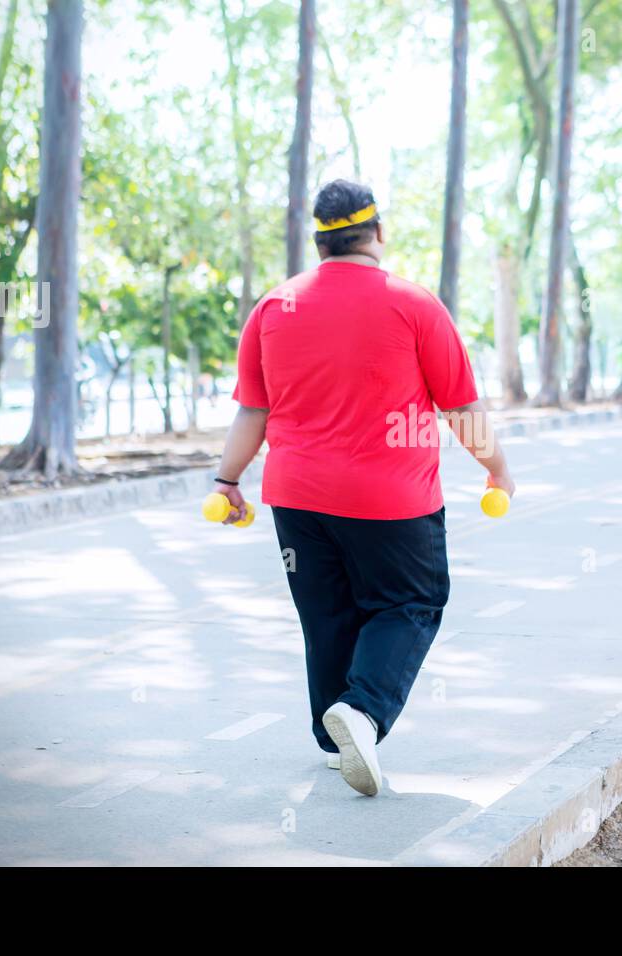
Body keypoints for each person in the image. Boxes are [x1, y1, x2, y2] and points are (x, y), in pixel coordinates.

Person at [212, 180, 515, 796]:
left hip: (295, 497)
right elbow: (460, 407)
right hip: (392, 500)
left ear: (319, 240)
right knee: (410, 603)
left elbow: (252, 411)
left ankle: (336, 741)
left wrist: (227, 479)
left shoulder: (275, 308)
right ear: (378, 233)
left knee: (326, 615)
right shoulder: (414, 304)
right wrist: (497, 469)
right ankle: (364, 713)